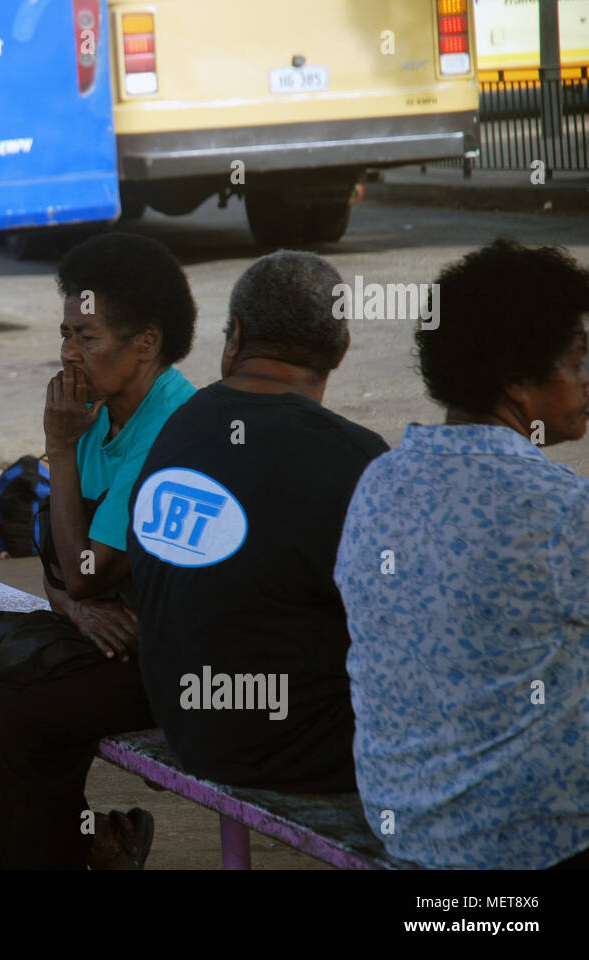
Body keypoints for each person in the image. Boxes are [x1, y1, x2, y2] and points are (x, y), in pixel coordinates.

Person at [0, 233, 198, 869]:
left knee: (12, 726)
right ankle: (88, 847)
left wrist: (60, 451)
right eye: (65, 334)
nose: (67, 355)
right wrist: (73, 610)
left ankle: (81, 849)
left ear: (145, 342)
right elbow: (57, 570)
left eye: (86, 337)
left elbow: (86, 571)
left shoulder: (172, 427)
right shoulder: (100, 414)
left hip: (166, 661)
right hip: (99, 645)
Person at [335, 239, 589, 869]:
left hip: (407, 820)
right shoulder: (559, 509)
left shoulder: (380, 481)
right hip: (530, 847)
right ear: (516, 380)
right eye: (580, 359)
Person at [128, 251, 388, 796]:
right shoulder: (355, 457)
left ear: (236, 335)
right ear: (340, 351)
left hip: (188, 729)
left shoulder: (181, 422)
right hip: (302, 753)